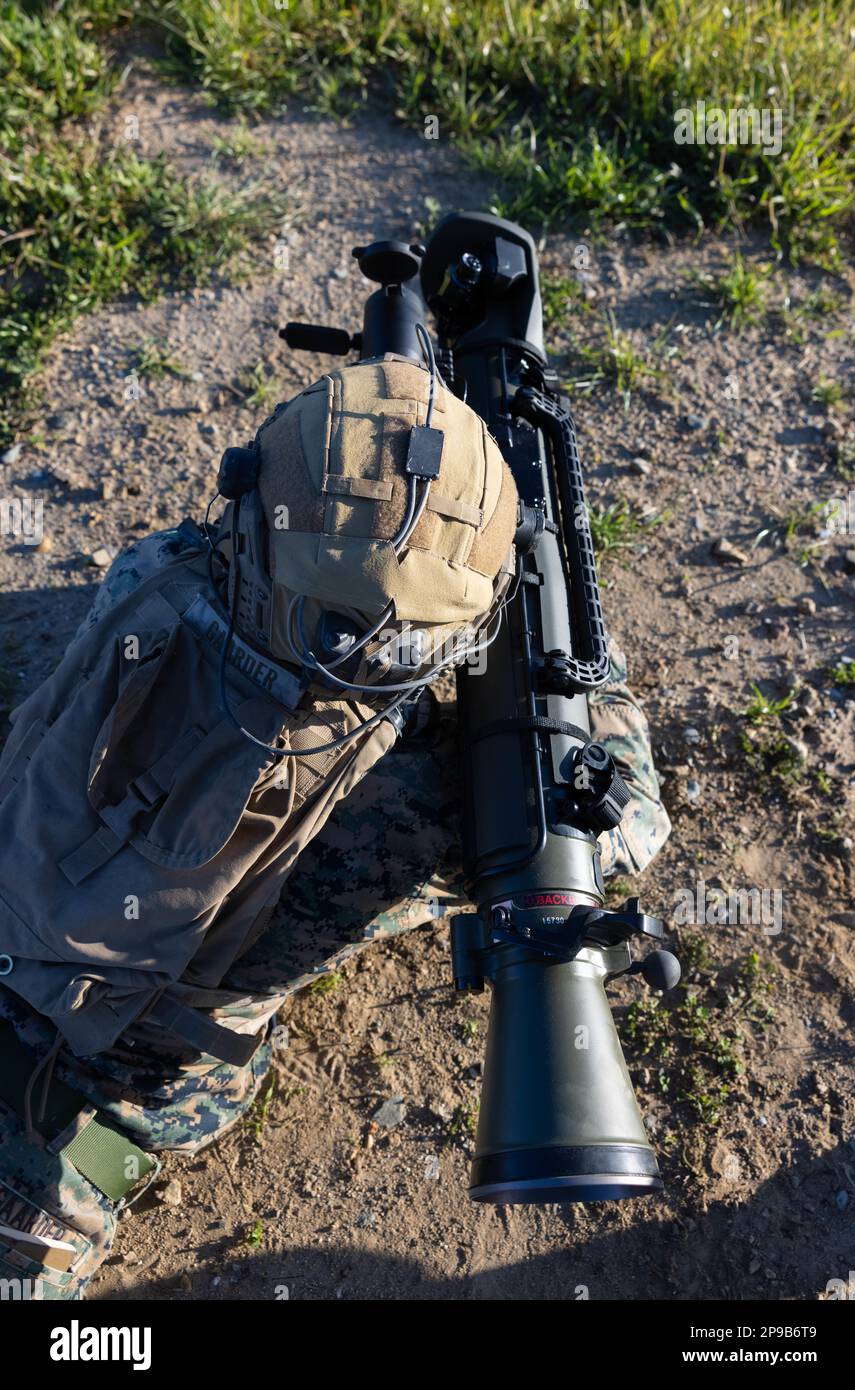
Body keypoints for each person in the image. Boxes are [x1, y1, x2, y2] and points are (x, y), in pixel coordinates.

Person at [0, 353, 670, 1299]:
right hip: (61, 1139)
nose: (371, 652)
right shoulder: (406, 806)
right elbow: (632, 820)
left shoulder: (151, 575)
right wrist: (555, 659)